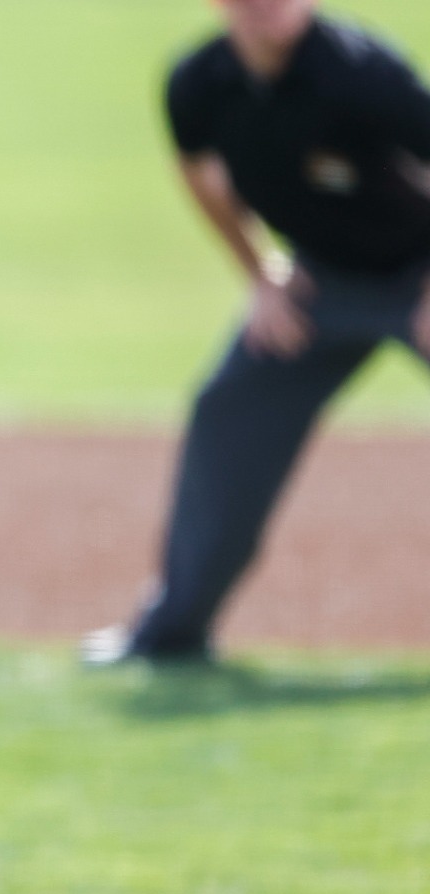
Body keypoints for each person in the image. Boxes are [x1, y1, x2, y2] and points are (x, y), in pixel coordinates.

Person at [85, 0, 430, 666]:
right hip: (319, 285)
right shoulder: (198, 82)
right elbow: (200, 172)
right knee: (227, 411)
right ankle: (172, 630)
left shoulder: (364, 74)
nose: (263, 6)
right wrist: (259, 278)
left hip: (416, 275)